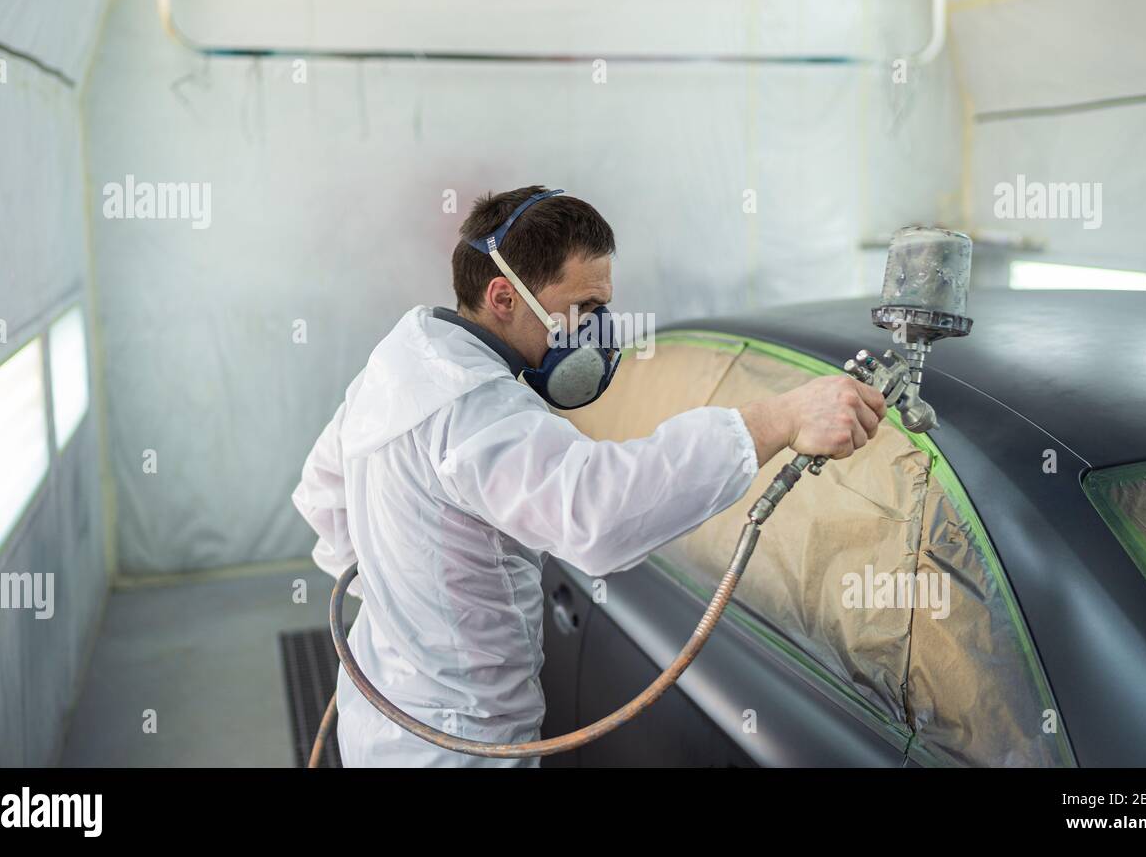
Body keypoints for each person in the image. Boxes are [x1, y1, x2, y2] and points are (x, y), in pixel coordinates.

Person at [292, 185, 886, 767]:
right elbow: (596, 512)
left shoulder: (402, 361)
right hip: (456, 741)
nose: (596, 333)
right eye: (583, 310)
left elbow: (321, 495)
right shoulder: (476, 409)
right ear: (503, 297)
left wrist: (406, 608)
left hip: (380, 715)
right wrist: (779, 418)